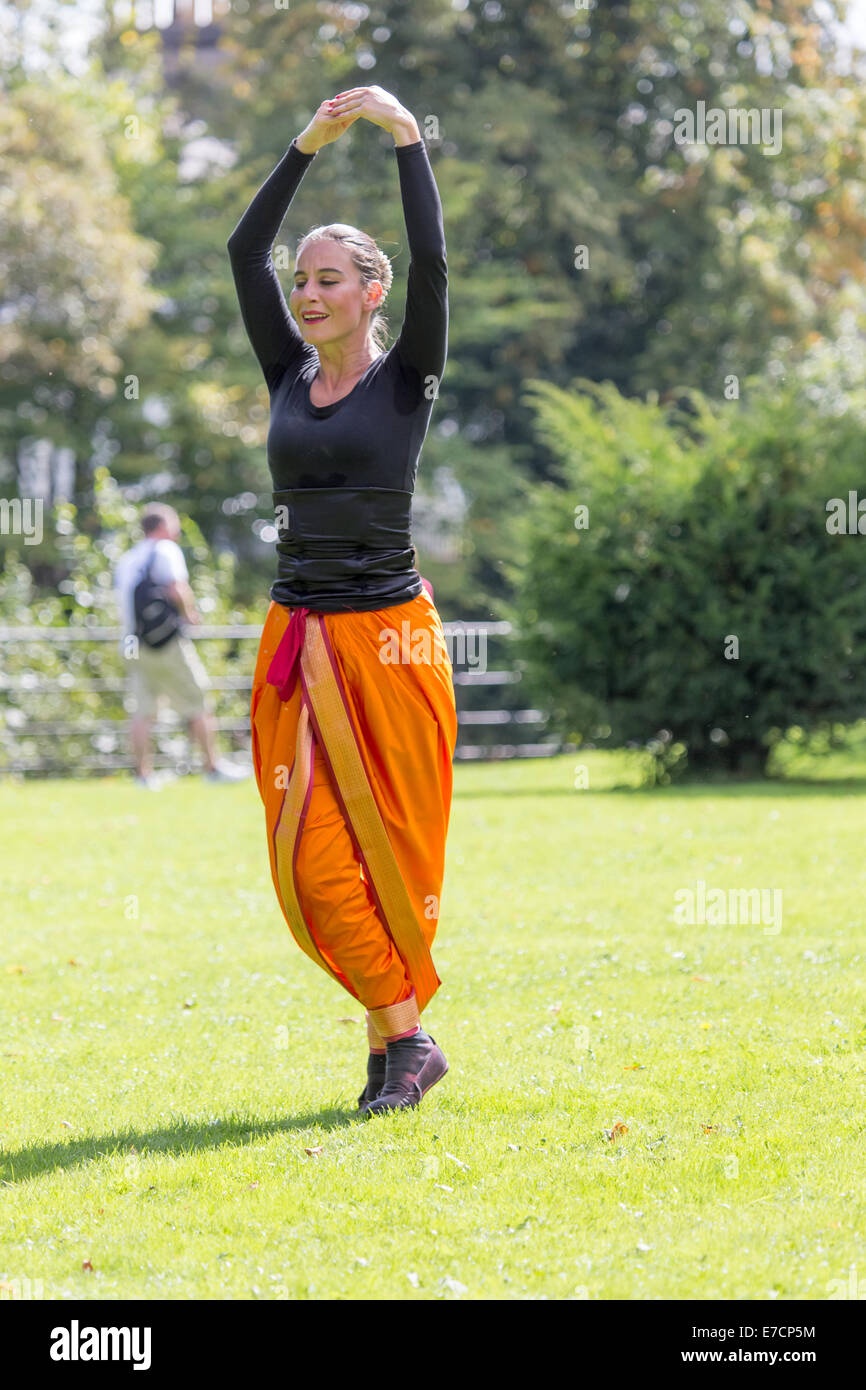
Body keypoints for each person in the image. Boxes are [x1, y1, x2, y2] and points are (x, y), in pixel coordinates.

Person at [227, 85, 457, 1116]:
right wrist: (303, 143)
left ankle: (391, 1049)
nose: (307, 293)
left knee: (384, 852)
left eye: (329, 279)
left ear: (373, 292)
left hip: (390, 642)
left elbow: (436, 263)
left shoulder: (407, 377)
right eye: (302, 280)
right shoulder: (284, 370)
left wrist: (407, 139)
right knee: (309, 861)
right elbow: (242, 251)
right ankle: (406, 1038)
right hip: (296, 633)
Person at [114, 503, 249, 787]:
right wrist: (191, 616)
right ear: (163, 526)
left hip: (131, 642)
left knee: (142, 710)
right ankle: (212, 768)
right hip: (164, 642)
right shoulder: (166, 550)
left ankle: (143, 776)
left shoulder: (128, 558)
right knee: (198, 700)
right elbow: (178, 587)